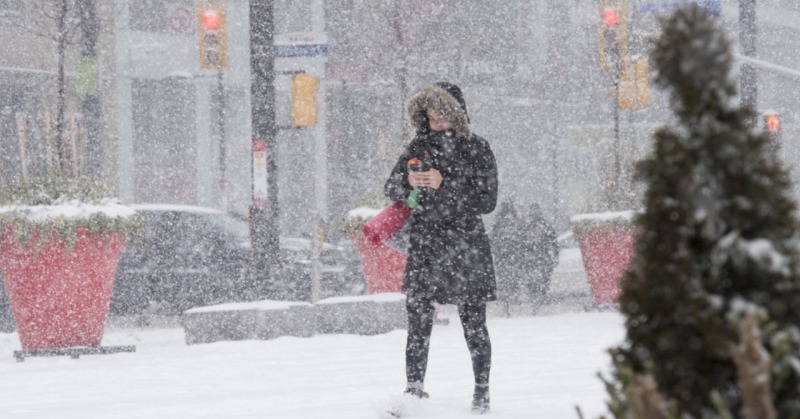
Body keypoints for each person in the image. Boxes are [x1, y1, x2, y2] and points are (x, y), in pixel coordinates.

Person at [384, 82, 498, 414]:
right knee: (417, 317)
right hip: (426, 245)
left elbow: (486, 200)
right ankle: (413, 389)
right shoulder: (417, 146)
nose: (434, 120)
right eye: (429, 114)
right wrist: (409, 183)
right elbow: (391, 186)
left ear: (456, 114)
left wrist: (443, 184)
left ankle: (481, 392)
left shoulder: (477, 148)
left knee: (473, 321)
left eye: (440, 114)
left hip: (466, 245)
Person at [520, 203, 558, 309]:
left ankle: (540, 295)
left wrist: (555, 254)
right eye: (533, 210)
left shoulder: (542, 224)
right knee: (534, 278)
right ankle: (537, 295)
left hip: (540, 256)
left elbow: (553, 241)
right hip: (534, 257)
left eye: (536, 210)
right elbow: (553, 241)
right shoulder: (529, 225)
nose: (535, 212)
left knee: (543, 278)